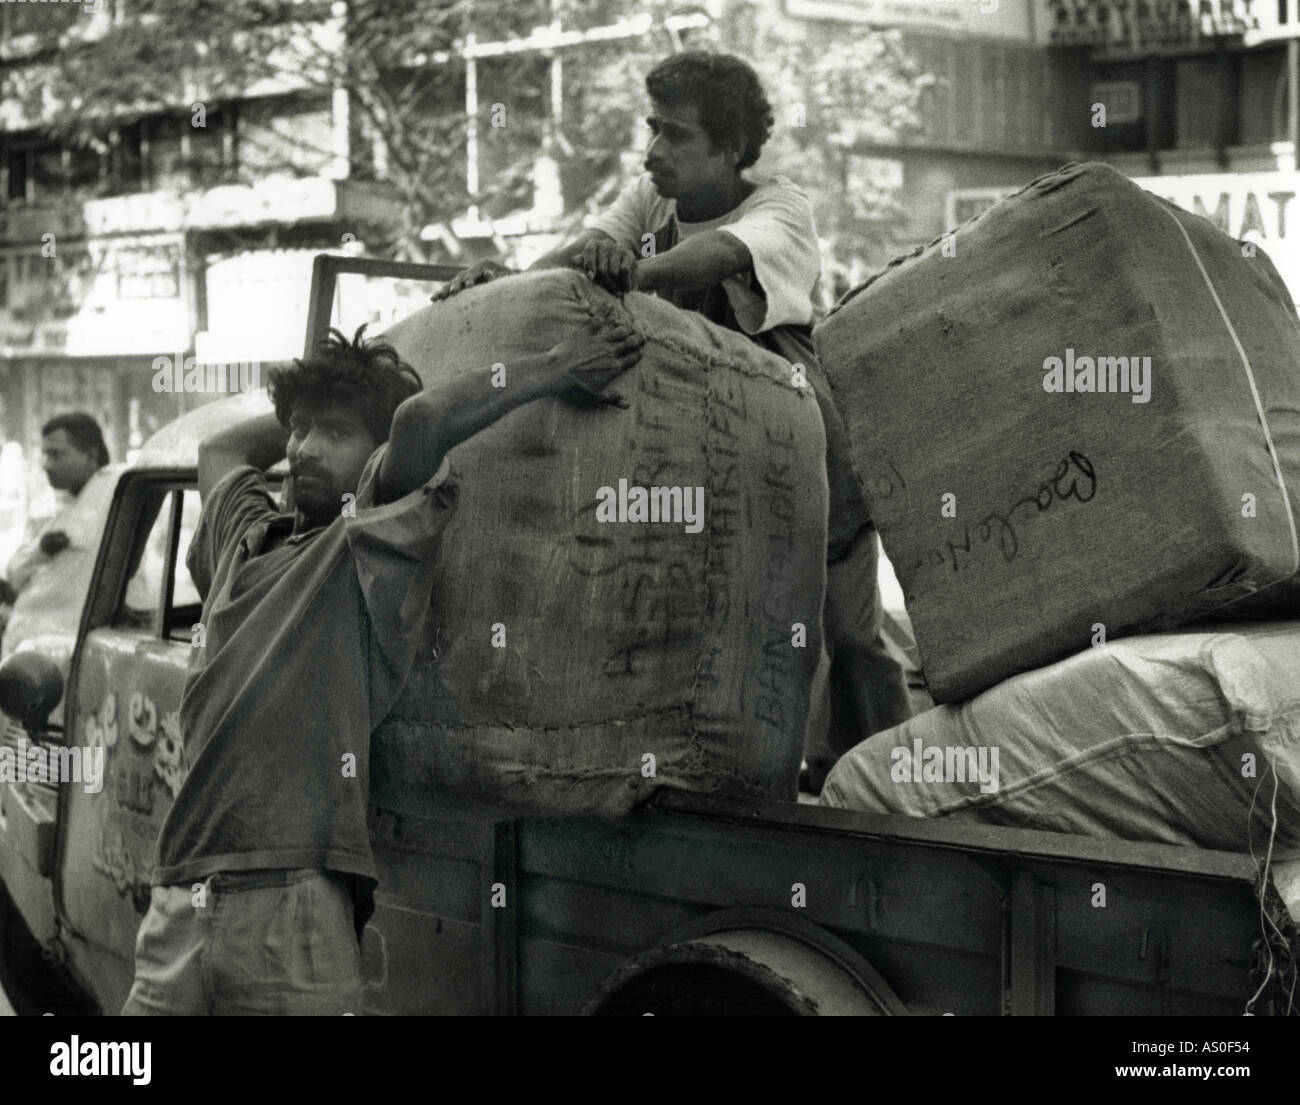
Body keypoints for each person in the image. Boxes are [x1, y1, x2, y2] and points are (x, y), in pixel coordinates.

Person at [122, 312, 644, 1015]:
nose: (305, 448)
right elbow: (220, 446)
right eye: (300, 431)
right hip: (177, 900)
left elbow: (423, 420)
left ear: (373, 460)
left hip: (294, 906)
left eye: (335, 434)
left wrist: (554, 365)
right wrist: (314, 397)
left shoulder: (364, 545)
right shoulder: (246, 540)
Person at [434, 51, 912, 788]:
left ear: (729, 150)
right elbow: (579, 256)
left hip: (803, 451)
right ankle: (740, 775)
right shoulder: (649, 198)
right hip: (704, 449)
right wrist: (505, 283)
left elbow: (713, 257)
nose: (654, 151)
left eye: (677, 136)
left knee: (843, 633)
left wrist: (630, 271)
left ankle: (887, 782)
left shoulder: (779, 208)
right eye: (652, 129)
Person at [2, 412, 117, 661]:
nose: (45, 464)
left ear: (91, 455)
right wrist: (40, 551)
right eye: (44, 454)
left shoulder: (114, 493)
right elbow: (14, 574)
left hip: (64, 655)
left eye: (56, 454)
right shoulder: (48, 506)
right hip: (25, 647)